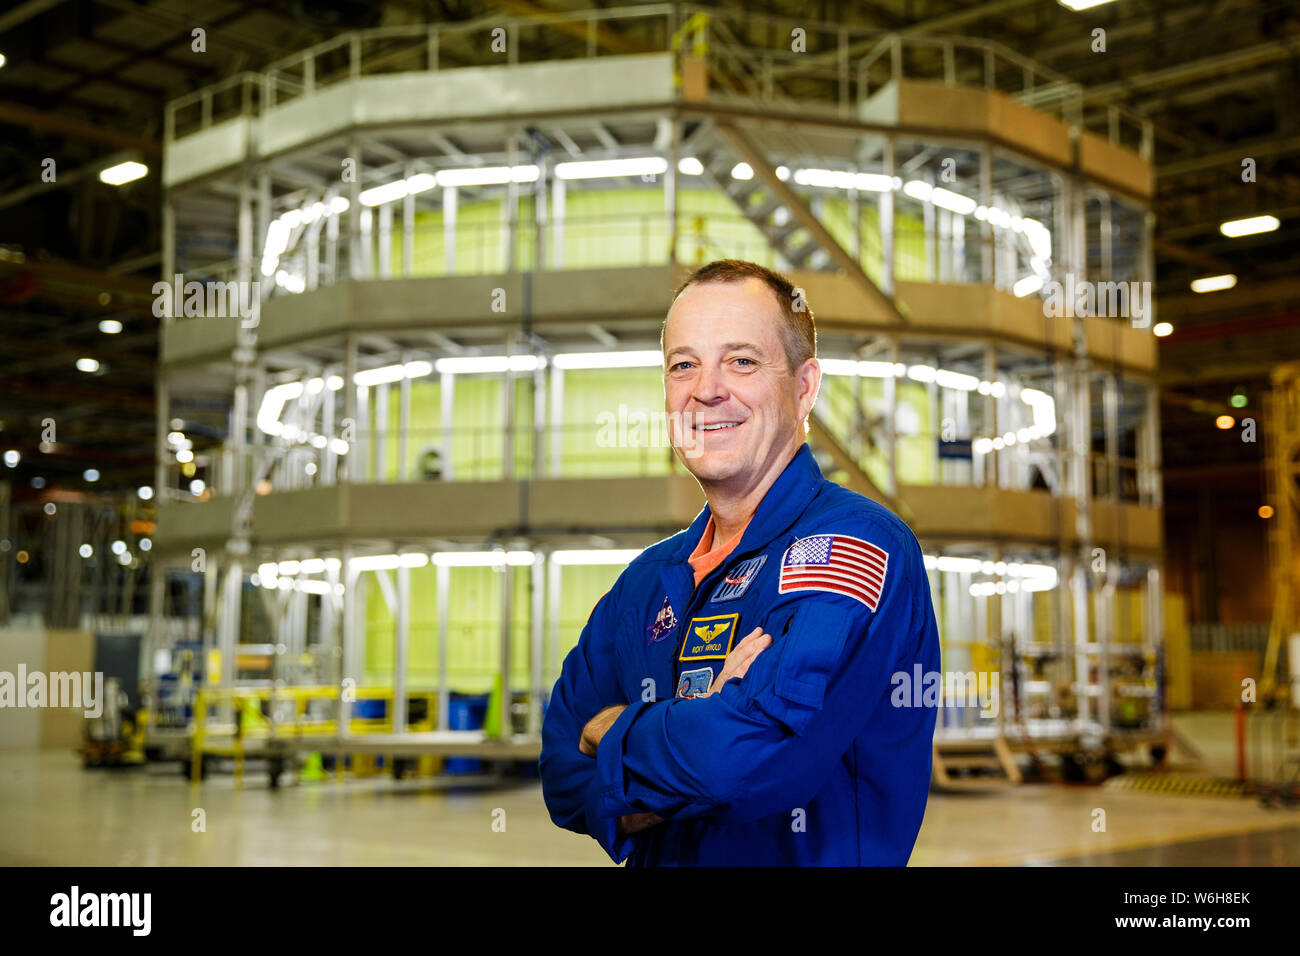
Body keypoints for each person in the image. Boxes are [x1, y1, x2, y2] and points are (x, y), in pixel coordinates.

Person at [539, 259, 940, 865]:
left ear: (805, 386)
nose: (706, 389)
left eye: (742, 360)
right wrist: (701, 726)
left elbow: (748, 761)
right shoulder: (647, 582)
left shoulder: (853, 546)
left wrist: (614, 733)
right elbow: (563, 773)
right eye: (683, 364)